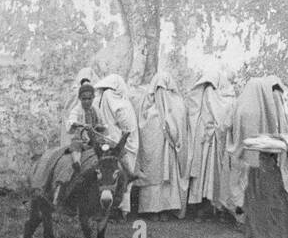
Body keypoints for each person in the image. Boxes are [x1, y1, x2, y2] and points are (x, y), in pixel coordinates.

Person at [226, 76, 288, 215]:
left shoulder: (239, 105)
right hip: (265, 156)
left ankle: (242, 217)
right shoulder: (268, 104)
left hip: (241, 154)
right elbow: (285, 130)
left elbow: (227, 125)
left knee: (242, 184)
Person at [135, 70, 189, 216]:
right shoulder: (146, 102)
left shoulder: (177, 102)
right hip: (153, 151)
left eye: (163, 89)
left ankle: (166, 208)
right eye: (158, 89)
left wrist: (172, 132)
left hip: (169, 149)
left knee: (168, 176)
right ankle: (151, 210)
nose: (161, 93)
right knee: (153, 176)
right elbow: (142, 124)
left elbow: (180, 123)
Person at [186, 63, 231, 214]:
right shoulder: (207, 94)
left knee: (214, 175)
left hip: (217, 141)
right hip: (205, 139)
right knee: (203, 174)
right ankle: (201, 206)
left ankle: (216, 207)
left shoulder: (227, 97)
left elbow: (225, 119)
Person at [94, 74, 141, 208]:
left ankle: (119, 207)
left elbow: (124, 124)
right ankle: (118, 207)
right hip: (116, 141)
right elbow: (123, 121)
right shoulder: (117, 100)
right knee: (115, 174)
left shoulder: (109, 98)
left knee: (117, 174)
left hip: (118, 141)